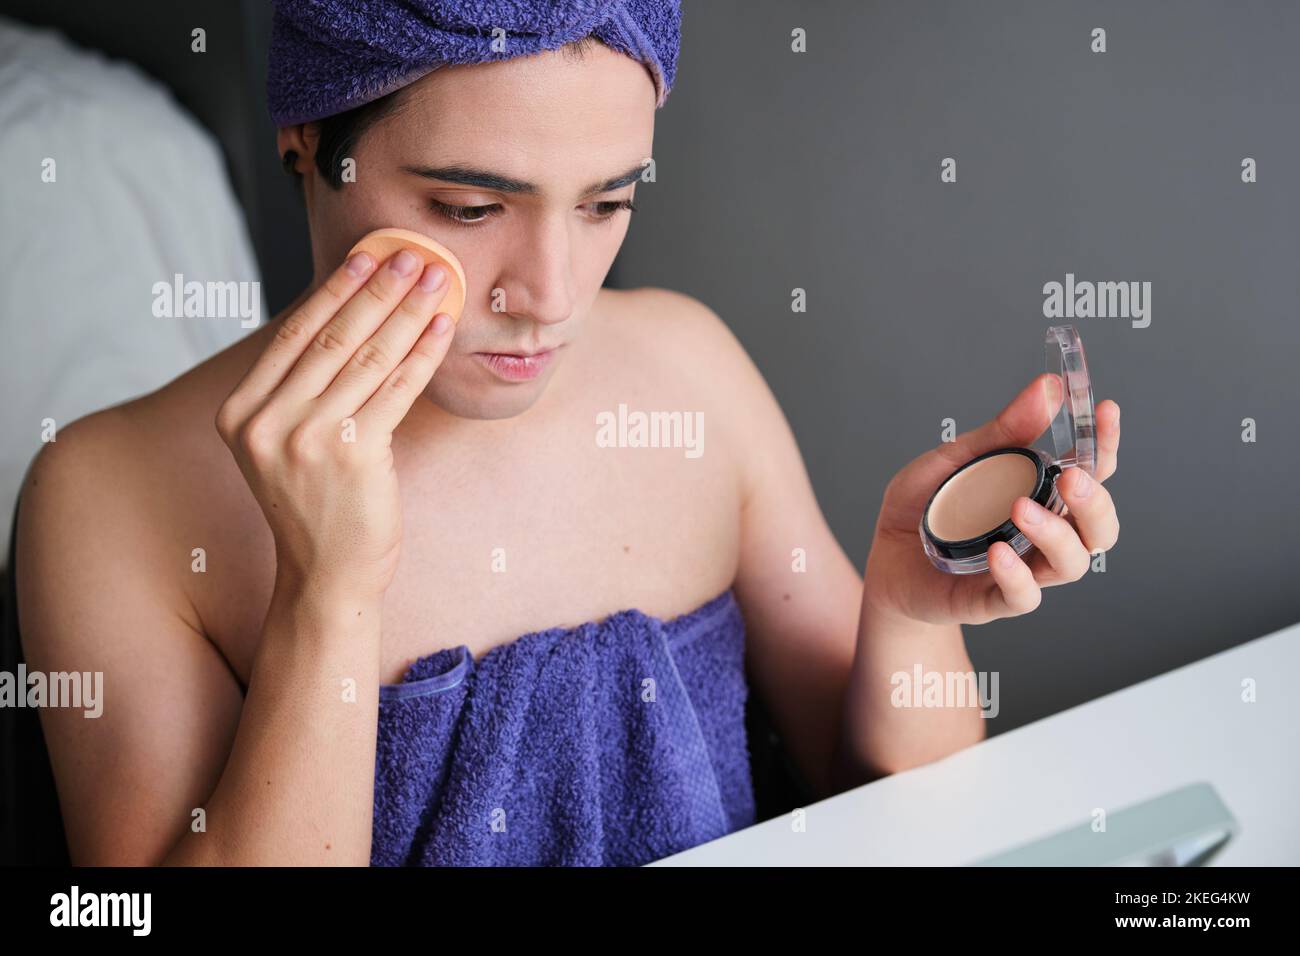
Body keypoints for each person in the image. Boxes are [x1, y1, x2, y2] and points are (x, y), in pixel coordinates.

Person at [15, 1, 1121, 866]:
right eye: (469, 206)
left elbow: (896, 805)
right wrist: (325, 595)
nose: (548, 292)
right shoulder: (109, 495)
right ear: (309, 142)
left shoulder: (688, 370)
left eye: (605, 202)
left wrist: (909, 608)